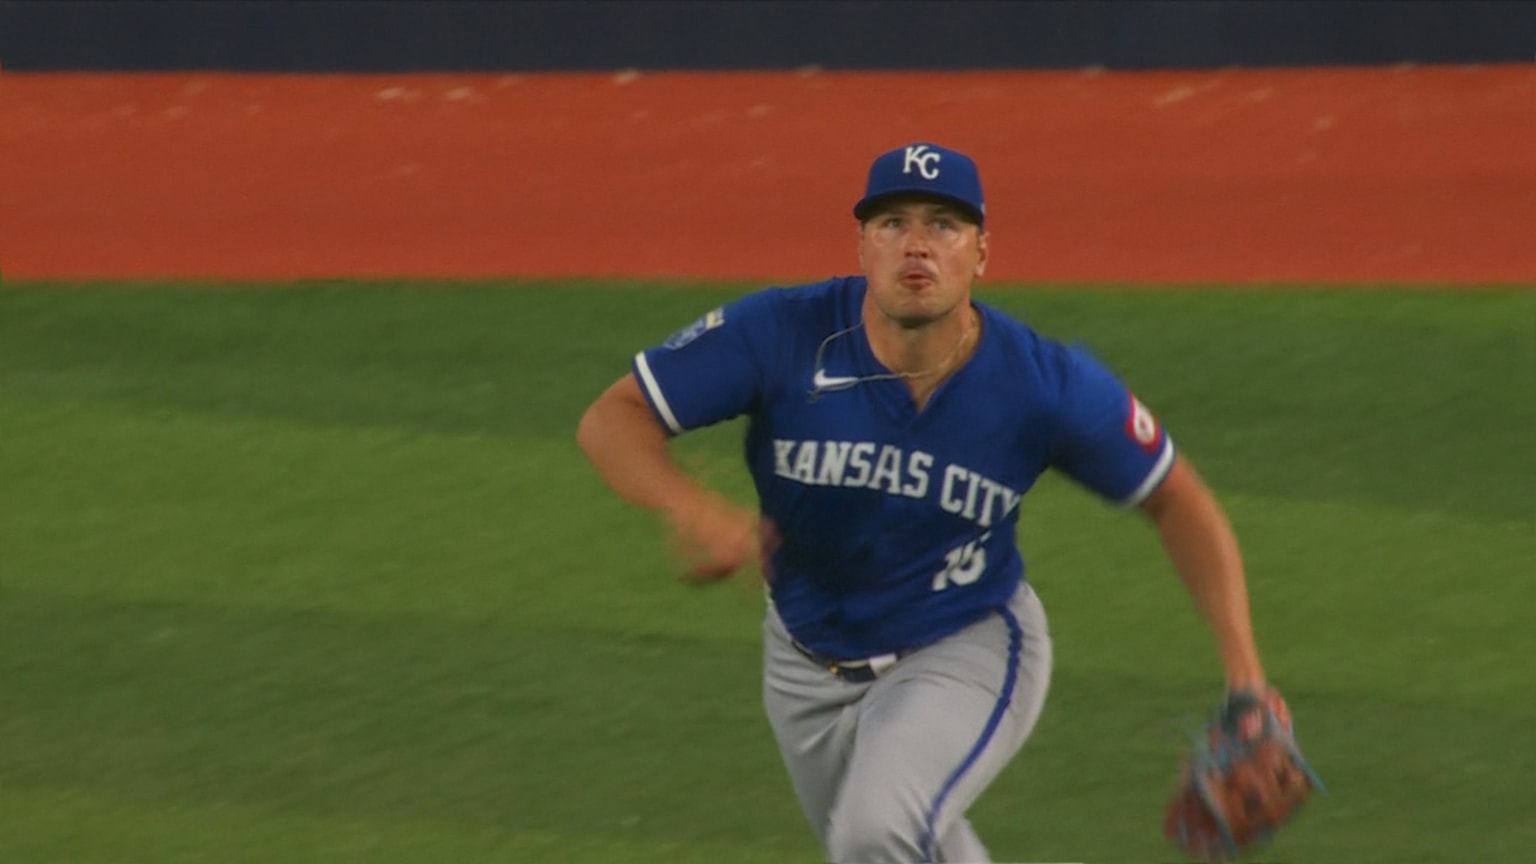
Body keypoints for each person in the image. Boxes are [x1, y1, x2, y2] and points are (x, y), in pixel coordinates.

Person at [576, 142, 1273, 863]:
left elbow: (1176, 498)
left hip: (964, 647)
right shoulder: (782, 333)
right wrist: (686, 506)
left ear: (981, 252)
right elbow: (614, 417)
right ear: (862, 246)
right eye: (893, 223)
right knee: (904, 850)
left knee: (875, 832)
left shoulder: (1042, 385)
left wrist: (1247, 678)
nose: (916, 245)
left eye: (943, 224)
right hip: (802, 664)